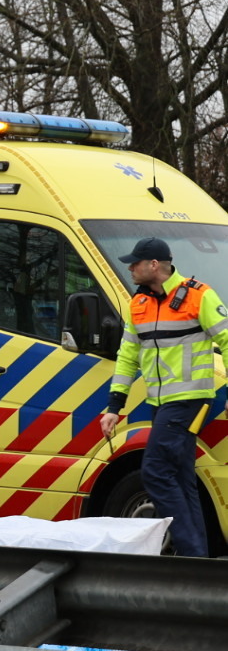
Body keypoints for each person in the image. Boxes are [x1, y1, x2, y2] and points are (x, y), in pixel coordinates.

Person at [99, 237, 228, 557]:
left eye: (135, 263)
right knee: (182, 478)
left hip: (191, 400)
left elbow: (227, 339)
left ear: (154, 265)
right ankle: (197, 559)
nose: (130, 268)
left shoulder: (199, 296)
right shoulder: (138, 305)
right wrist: (115, 406)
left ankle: (187, 552)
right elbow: (128, 356)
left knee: (155, 471)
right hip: (161, 404)